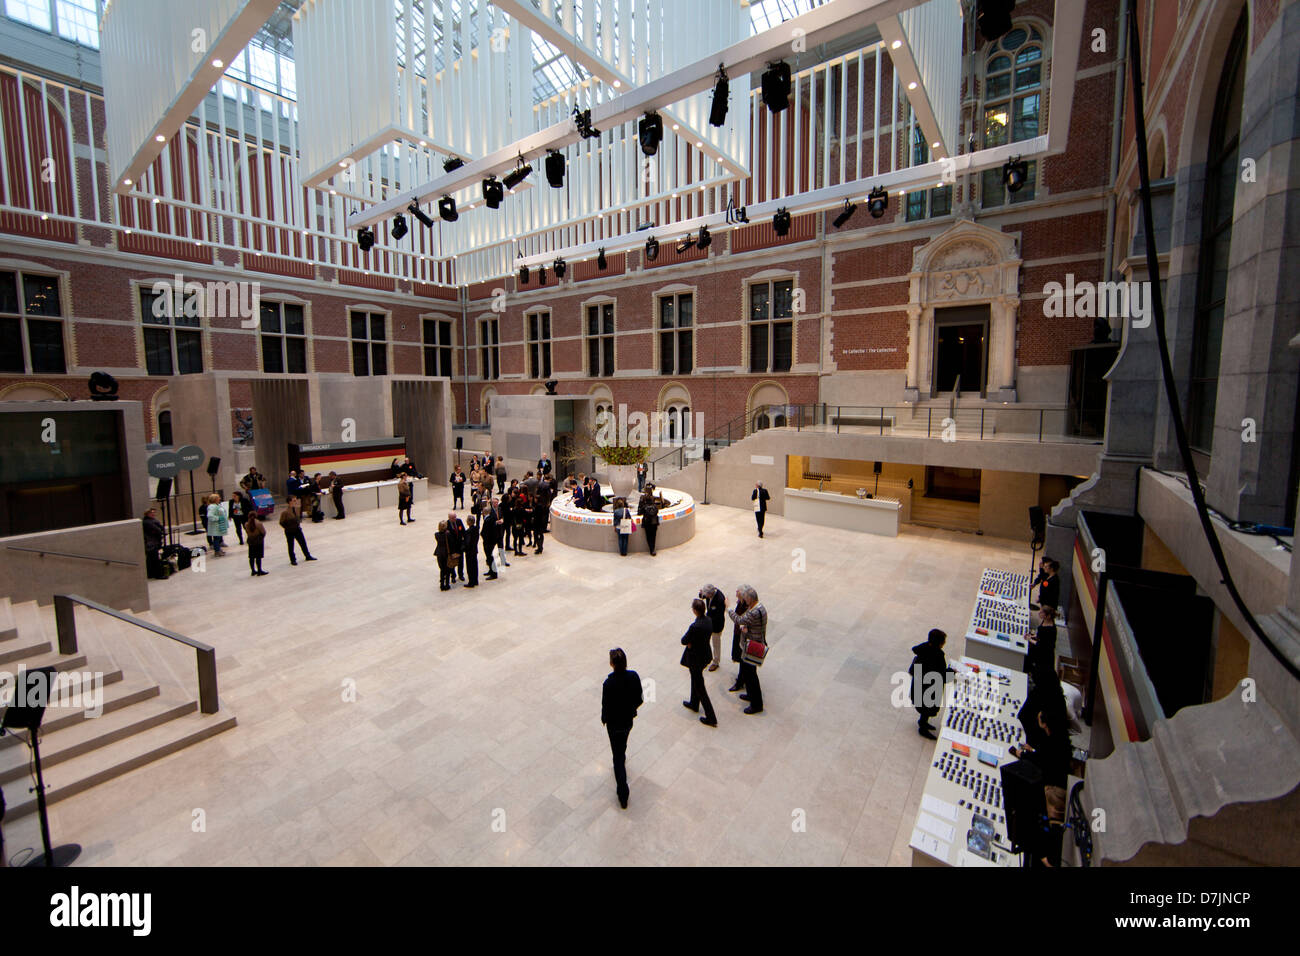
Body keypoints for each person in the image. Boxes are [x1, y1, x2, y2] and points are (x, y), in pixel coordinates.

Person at [600, 647, 643, 809]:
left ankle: (623, 793)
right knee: (622, 745)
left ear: (611, 664)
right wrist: (630, 709)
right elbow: (639, 698)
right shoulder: (633, 677)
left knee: (616, 756)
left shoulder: (609, 683)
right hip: (627, 721)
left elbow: (606, 705)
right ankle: (622, 756)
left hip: (614, 724)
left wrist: (605, 719)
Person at [728, 585, 767, 714]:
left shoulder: (753, 612)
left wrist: (728, 608)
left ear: (750, 599)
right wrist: (748, 628)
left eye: (745, 598)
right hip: (755, 642)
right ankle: (750, 694)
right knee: (748, 672)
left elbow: (739, 620)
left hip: (751, 646)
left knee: (751, 676)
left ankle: (756, 704)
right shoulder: (761, 608)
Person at [909, 629, 954, 739]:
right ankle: (923, 728)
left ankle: (923, 721)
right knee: (927, 707)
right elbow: (941, 675)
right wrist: (952, 672)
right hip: (930, 688)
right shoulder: (936, 655)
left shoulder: (924, 649)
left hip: (920, 685)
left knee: (925, 708)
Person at [681, 597, 718, 726]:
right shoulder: (708, 620)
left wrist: (691, 643)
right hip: (705, 655)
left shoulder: (695, 626)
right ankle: (694, 703)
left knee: (700, 686)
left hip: (696, 658)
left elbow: (684, 640)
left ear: (695, 611)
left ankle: (711, 717)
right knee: (695, 679)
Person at [279, 496, 316, 565]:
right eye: (294, 500)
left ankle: (307, 555)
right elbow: (281, 522)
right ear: (290, 502)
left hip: (297, 529)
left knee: (303, 543)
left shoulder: (296, 509)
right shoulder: (285, 512)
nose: (296, 502)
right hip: (289, 531)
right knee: (291, 545)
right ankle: (293, 559)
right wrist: (288, 527)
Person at [1027, 605, 1058, 675]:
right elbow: (1040, 636)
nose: (1039, 613)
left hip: (1044, 655)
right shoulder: (1045, 621)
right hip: (1042, 649)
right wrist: (1032, 636)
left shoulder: (1049, 629)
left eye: (1041, 613)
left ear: (1048, 616)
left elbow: (1041, 644)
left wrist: (1029, 639)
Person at [701, 584, 726, 671]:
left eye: (706, 594)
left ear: (711, 594)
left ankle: (716, 662)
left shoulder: (720, 600)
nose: (705, 596)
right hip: (709, 623)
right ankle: (706, 657)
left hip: (716, 625)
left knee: (716, 644)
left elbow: (718, 616)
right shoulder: (710, 594)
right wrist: (701, 594)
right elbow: (703, 596)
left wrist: (706, 619)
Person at [142, 508, 166, 579]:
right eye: (151, 513)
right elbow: (158, 530)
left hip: (153, 542)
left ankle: (150, 574)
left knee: (150, 559)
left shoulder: (153, 520)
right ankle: (158, 575)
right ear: (147, 514)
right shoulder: (147, 522)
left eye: (154, 513)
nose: (153, 514)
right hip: (151, 542)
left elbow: (161, 528)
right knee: (154, 558)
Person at [637, 485, 660, 556]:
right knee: (653, 536)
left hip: (647, 523)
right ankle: (653, 549)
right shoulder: (655, 507)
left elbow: (639, 513)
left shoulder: (644, 506)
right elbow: (657, 512)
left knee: (648, 536)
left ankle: (651, 549)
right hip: (654, 522)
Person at [245, 509, 268, 576]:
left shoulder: (246, 524)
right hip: (258, 541)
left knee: (251, 556)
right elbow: (263, 532)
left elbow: (247, 532)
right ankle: (259, 570)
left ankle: (253, 571)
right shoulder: (259, 523)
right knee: (258, 556)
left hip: (251, 541)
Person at [447, 512, 466, 582]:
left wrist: (464, 543)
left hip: (460, 546)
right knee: (453, 562)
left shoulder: (459, 521)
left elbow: (463, 531)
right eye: (453, 518)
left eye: (455, 517)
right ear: (449, 518)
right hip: (453, 548)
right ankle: (453, 576)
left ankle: (461, 575)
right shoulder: (447, 524)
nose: (455, 519)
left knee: (461, 562)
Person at [462, 516, 480, 588]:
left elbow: (468, 542)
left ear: (469, 522)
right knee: (475, 566)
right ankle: (475, 580)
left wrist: (463, 547)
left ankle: (471, 582)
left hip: (469, 552)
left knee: (470, 567)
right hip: (474, 550)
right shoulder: (476, 529)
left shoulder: (468, 531)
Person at [434, 520, 452, 591]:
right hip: (446, 553)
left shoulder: (436, 535)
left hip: (439, 553)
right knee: (447, 569)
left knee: (442, 569)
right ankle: (447, 584)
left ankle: (442, 585)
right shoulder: (447, 535)